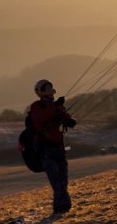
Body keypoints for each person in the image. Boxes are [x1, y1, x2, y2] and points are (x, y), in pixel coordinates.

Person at [29, 79, 76, 215]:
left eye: (51, 88)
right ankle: (63, 208)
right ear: (42, 92)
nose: (50, 90)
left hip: (59, 148)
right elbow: (42, 118)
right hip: (45, 151)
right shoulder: (36, 107)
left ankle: (60, 209)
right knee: (56, 181)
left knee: (63, 180)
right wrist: (56, 107)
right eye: (47, 88)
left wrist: (69, 120)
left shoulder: (57, 107)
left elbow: (65, 117)